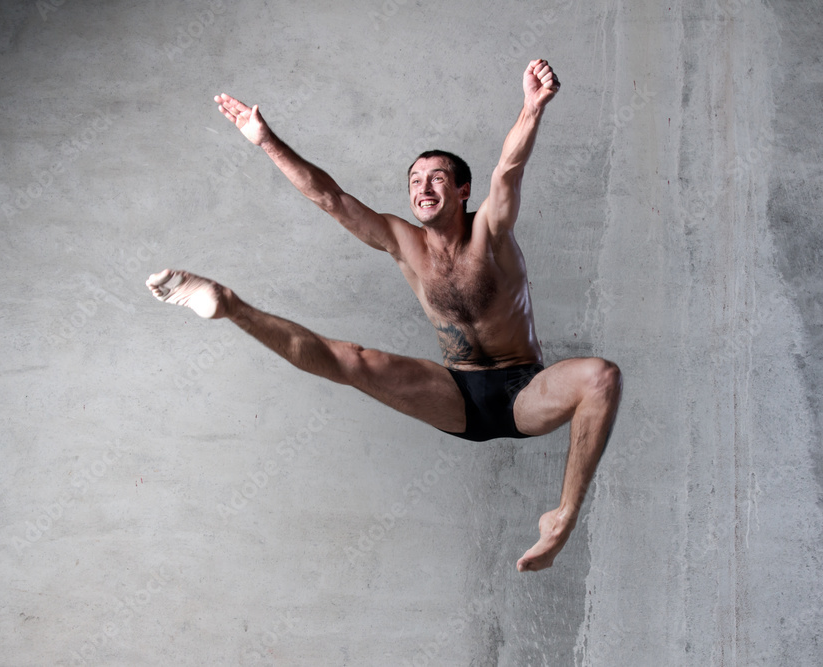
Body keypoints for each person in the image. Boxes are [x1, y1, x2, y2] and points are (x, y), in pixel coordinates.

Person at [146, 59, 621, 572]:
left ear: (462, 191)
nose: (424, 187)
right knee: (353, 360)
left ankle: (563, 517)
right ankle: (229, 305)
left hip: (524, 391)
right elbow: (329, 197)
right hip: (455, 393)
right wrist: (265, 140)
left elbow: (507, 170)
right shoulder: (402, 240)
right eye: (416, 180)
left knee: (600, 377)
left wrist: (531, 108)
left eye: (438, 178)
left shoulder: (491, 231)